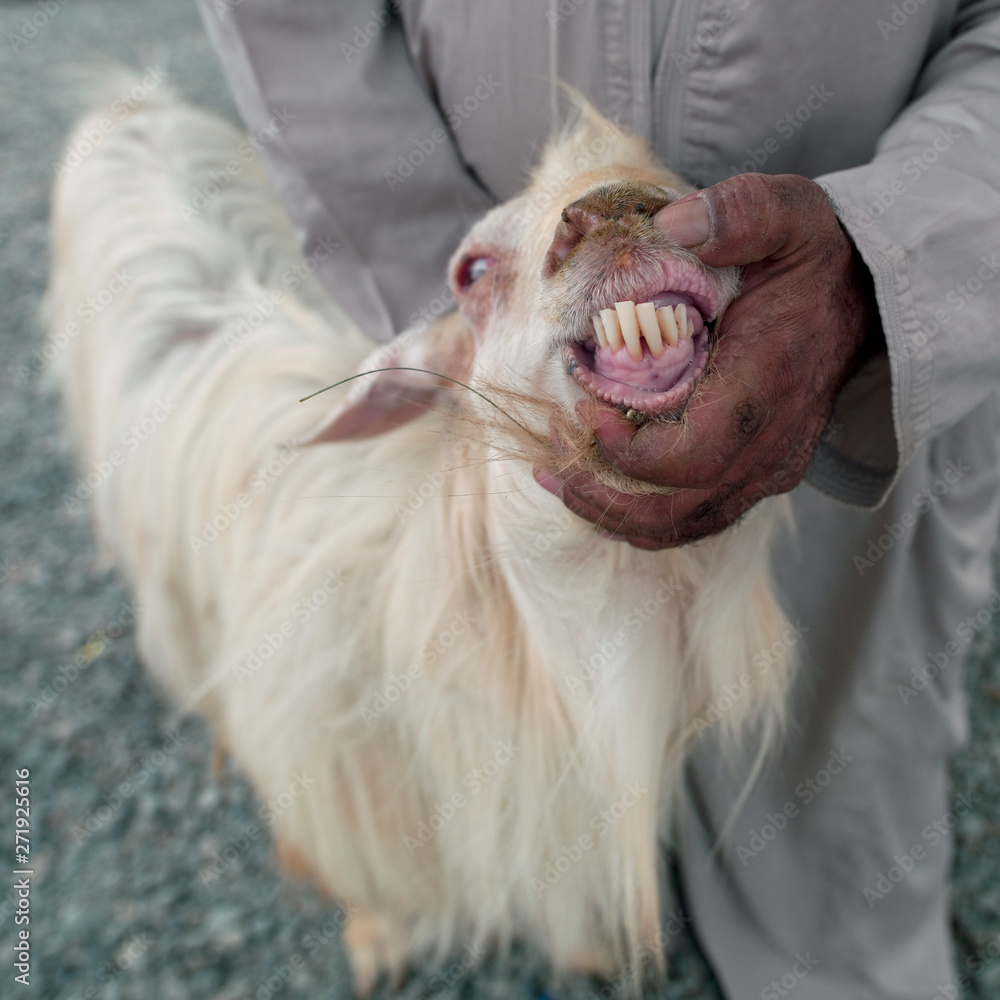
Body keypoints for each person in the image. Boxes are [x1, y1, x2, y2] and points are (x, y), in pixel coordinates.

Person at [197, 2, 1000, 996]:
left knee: (841, 692)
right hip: (478, 289)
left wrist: (889, 270)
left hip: (872, 309)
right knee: (471, 661)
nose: (604, 226)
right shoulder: (459, 337)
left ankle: (826, 938)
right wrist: (456, 313)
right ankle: (542, 879)